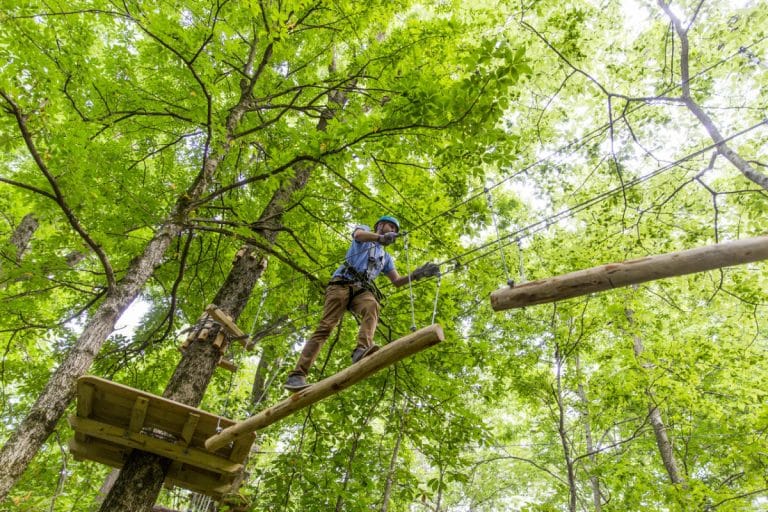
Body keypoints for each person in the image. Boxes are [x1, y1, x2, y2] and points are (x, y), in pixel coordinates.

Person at [284, 215, 440, 391]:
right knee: (326, 327)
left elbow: (396, 281)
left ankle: (361, 350)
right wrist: (380, 238)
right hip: (341, 284)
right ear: (380, 226)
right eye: (391, 227)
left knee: (372, 305)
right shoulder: (365, 234)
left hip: (361, 290)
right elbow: (358, 235)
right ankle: (297, 375)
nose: (393, 232)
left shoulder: (386, 257)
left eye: (395, 231)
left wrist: (417, 274)